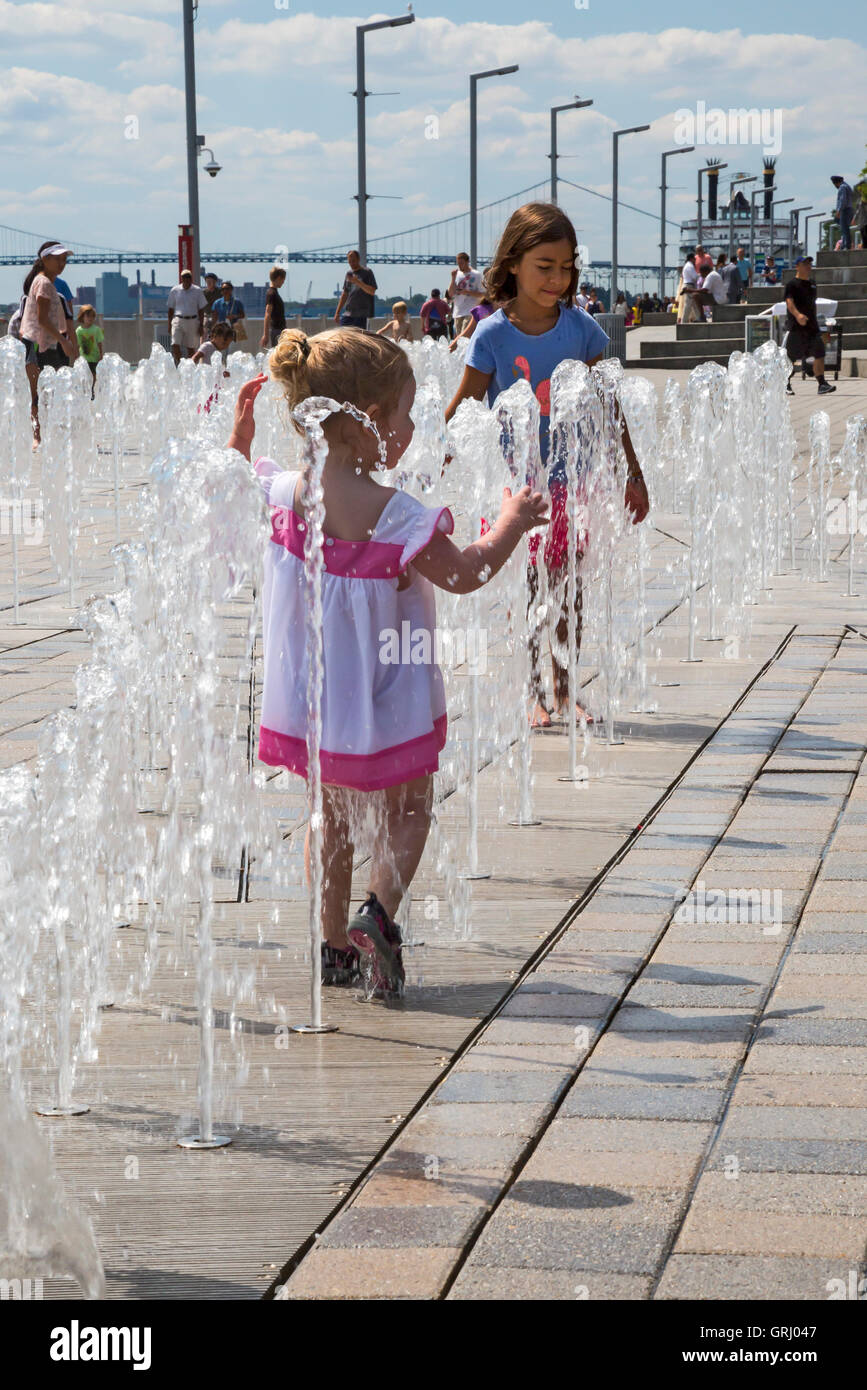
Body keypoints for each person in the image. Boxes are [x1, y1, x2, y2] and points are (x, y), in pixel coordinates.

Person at [226, 330, 546, 993]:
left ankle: (331, 948)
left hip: (315, 702)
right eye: (403, 413)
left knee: (329, 820)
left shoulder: (287, 494)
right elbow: (464, 574)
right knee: (409, 809)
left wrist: (239, 437)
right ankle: (378, 915)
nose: (410, 427)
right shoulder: (394, 514)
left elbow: (226, 494)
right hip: (386, 696)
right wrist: (511, 522)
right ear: (364, 422)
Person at [444, 201, 649, 726]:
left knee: (569, 587)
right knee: (534, 586)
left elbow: (609, 405)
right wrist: (428, 462)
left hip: (573, 485)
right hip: (518, 491)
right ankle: (539, 691)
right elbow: (464, 407)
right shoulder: (491, 335)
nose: (557, 278)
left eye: (566, 267)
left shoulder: (581, 330)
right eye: (544, 266)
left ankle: (564, 687)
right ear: (513, 263)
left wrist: (633, 472)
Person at [19, 241, 76, 439]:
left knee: (46, 393)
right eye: (58, 259)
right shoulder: (43, 283)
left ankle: (46, 435)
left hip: (43, 344)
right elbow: (42, 320)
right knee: (40, 394)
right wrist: (64, 341)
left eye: (65, 259)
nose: (62, 263)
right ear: (45, 260)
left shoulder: (44, 281)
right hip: (39, 345)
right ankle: (38, 437)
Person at [784, 256, 835, 396]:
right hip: (796, 327)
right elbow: (789, 303)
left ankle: (822, 384)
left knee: (819, 354)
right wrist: (798, 315)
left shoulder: (813, 284)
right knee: (791, 359)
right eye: (805, 264)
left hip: (812, 327)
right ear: (797, 266)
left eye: (809, 264)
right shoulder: (792, 285)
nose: (808, 266)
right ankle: (785, 383)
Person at [167, 268, 206, 365]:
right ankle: (179, 364)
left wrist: (201, 325)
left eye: (188, 277)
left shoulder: (197, 290)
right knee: (175, 344)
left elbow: (201, 309)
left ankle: (190, 367)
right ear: (181, 279)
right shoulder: (175, 290)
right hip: (178, 319)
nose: (186, 279)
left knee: (190, 347)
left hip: (192, 320)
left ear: (191, 278)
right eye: (184, 277)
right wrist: (169, 324)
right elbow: (171, 309)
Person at [334, 250, 377, 329]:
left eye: (353, 261)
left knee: (358, 339)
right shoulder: (348, 274)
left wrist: (357, 282)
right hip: (348, 313)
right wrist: (337, 312)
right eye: (349, 261)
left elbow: (372, 291)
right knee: (343, 336)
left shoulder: (367, 272)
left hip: (362, 314)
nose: (351, 263)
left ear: (358, 259)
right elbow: (345, 294)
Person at [448, 252, 485, 335]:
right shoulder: (456, 275)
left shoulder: (476, 275)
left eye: (461, 263)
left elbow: (483, 294)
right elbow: (450, 294)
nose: (459, 266)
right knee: (459, 340)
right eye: (458, 263)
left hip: (470, 311)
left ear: (467, 262)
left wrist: (467, 292)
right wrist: (453, 278)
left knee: (465, 337)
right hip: (457, 312)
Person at [75, 305, 104, 391]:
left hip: (95, 358)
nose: (90, 318)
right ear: (82, 317)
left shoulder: (96, 330)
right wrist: (76, 357)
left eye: (92, 316)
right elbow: (77, 345)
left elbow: (99, 343)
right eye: (88, 316)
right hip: (84, 359)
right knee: (84, 377)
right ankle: (85, 392)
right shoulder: (79, 331)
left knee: (94, 376)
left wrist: (101, 355)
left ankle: (93, 392)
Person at [261, 266, 287, 350]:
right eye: (283, 280)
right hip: (276, 331)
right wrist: (266, 335)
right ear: (279, 278)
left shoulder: (274, 292)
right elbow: (267, 314)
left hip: (280, 330)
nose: (283, 282)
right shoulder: (271, 293)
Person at [831, 175, 854, 252]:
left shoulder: (842, 187)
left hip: (845, 210)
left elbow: (842, 200)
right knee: (844, 228)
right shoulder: (847, 186)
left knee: (844, 229)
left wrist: (839, 211)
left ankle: (846, 245)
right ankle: (845, 244)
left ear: (836, 183)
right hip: (850, 209)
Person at [678, 253, 700, 322]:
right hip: (689, 285)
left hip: (688, 285)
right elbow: (694, 277)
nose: (695, 260)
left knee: (694, 304)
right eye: (694, 259)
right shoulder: (690, 266)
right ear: (691, 258)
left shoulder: (687, 265)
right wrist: (700, 275)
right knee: (688, 305)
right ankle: (683, 321)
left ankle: (700, 319)